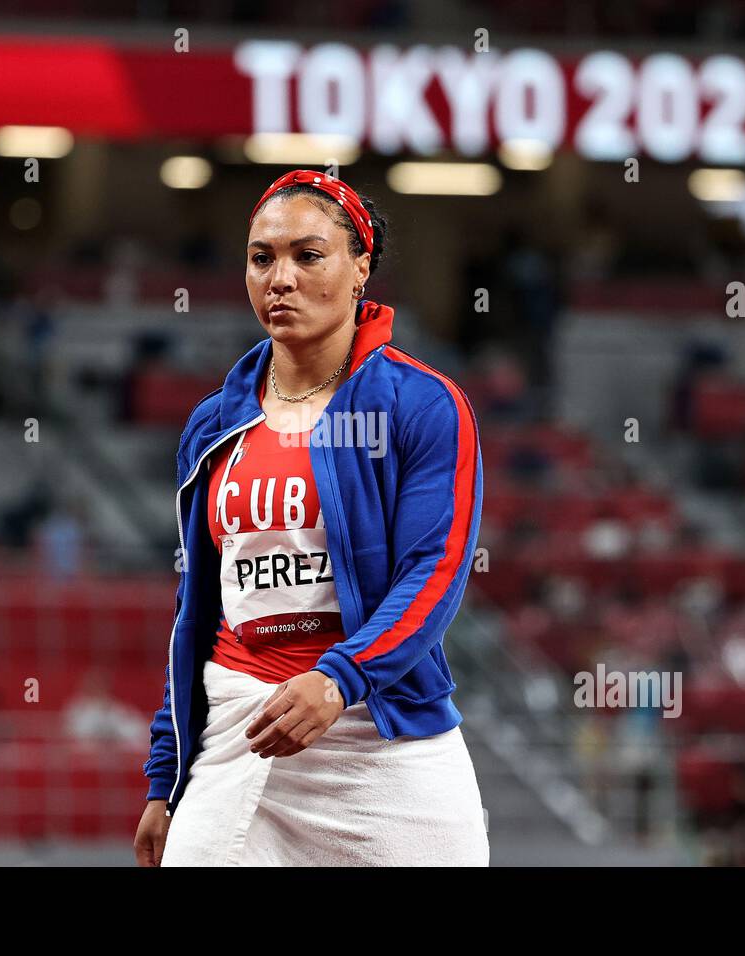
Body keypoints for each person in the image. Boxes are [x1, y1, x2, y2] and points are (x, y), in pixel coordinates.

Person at [135, 169, 488, 866]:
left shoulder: (423, 405)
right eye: (262, 257)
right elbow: (198, 610)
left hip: (380, 729)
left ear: (361, 269)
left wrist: (340, 679)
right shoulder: (213, 424)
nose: (280, 278)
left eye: (308, 255)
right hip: (241, 727)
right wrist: (166, 775)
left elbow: (435, 573)